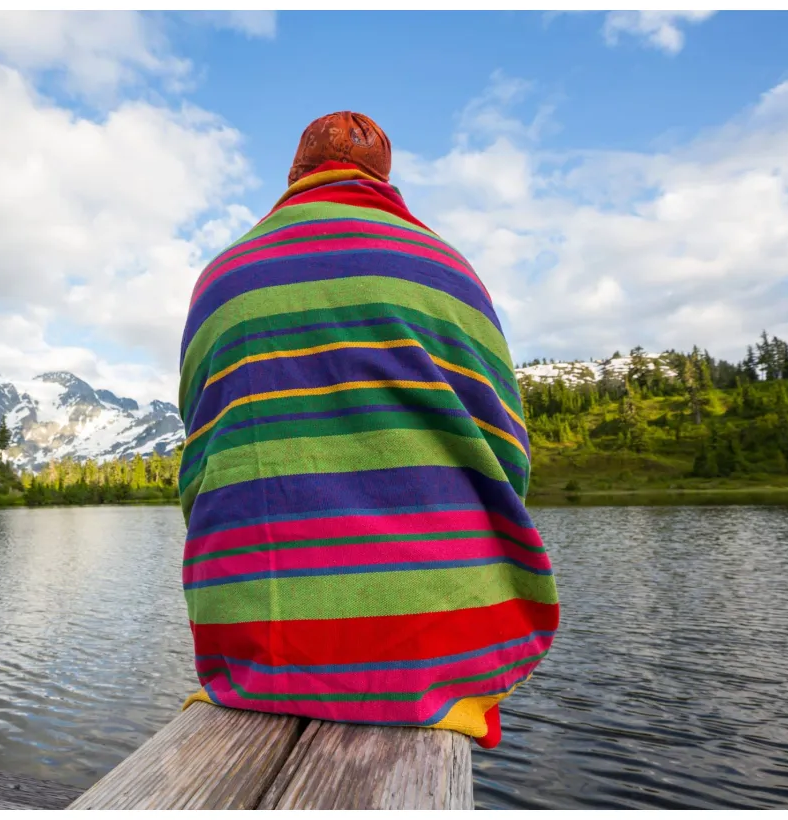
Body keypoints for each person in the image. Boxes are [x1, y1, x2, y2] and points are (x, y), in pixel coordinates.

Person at [176, 111, 559, 750]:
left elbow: (200, 459)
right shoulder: (450, 269)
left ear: (296, 174)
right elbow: (508, 457)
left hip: (255, 642)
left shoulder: (220, 277)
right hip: (440, 643)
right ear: (382, 177)